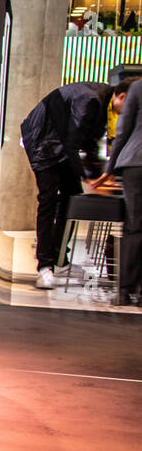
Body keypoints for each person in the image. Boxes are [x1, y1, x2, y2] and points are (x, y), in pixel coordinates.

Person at [20, 82, 127, 289]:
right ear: (121, 97)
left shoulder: (102, 102)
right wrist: (88, 177)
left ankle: (58, 255)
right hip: (42, 140)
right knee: (48, 200)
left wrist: (95, 175)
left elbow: (89, 142)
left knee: (72, 195)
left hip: (58, 143)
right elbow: (73, 142)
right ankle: (45, 267)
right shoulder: (91, 99)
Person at [105, 78, 142, 306]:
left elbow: (124, 129)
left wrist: (110, 169)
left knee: (134, 227)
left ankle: (124, 292)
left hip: (136, 163)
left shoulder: (138, 87)